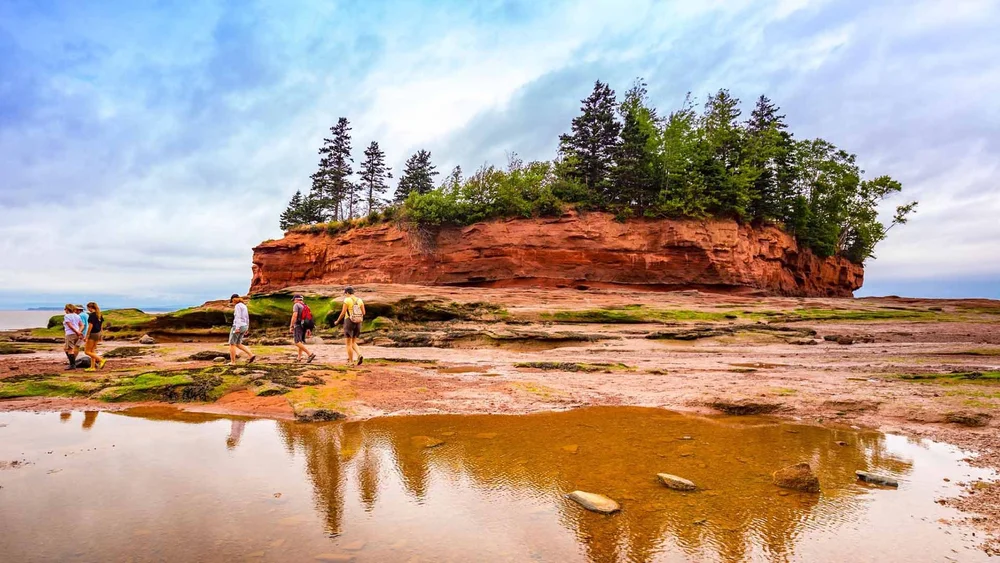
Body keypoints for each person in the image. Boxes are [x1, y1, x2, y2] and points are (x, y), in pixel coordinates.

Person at [333, 286, 366, 365]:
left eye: (345, 293)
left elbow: (343, 312)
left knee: (348, 344)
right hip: (358, 322)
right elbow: (364, 313)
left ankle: (351, 362)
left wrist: (337, 321)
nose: (345, 295)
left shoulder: (347, 300)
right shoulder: (360, 300)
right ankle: (359, 354)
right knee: (353, 342)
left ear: (347, 292)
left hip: (349, 321)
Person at [228, 294, 256, 365]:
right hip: (244, 326)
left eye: (232, 301)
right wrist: (247, 327)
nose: (233, 303)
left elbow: (238, 317)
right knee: (238, 343)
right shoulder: (244, 306)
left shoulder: (238, 306)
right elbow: (247, 318)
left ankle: (233, 362)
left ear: (234, 299)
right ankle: (251, 355)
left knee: (232, 344)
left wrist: (237, 328)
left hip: (238, 326)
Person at [289, 294, 316, 363]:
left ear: (297, 299)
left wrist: (291, 326)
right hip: (304, 325)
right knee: (300, 341)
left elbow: (294, 316)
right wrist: (308, 328)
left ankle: (310, 354)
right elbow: (309, 318)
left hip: (298, 325)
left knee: (297, 342)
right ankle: (299, 358)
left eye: (294, 300)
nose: (294, 302)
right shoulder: (306, 306)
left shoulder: (296, 305)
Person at [82, 302, 107, 371]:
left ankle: (101, 360)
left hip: (92, 334)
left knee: (87, 351)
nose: (88, 309)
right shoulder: (99, 314)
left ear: (90, 308)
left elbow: (90, 326)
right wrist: (101, 334)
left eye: (88, 308)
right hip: (98, 333)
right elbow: (101, 326)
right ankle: (92, 367)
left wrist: (87, 335)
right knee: (92, 350)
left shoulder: (92, 315)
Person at [62, 304, 84, 370]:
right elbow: (82, 325)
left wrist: (77, 332)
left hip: (70, 334)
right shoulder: (77, 316)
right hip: (76, 334)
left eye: (65, 309)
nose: (64, 310)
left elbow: (70, 326)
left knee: (70, 349)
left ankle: (72, 365)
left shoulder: (67, 316)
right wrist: (79, 331)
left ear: (67, 309)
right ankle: (72, 362)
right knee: (66, 348)